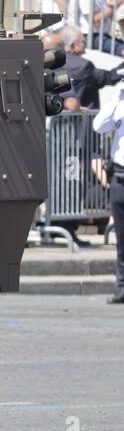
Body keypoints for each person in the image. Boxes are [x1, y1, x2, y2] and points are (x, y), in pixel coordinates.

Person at [93, 78, 124, 302]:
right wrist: (117, 98)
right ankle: (122, 288)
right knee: (121, 238)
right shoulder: (120, 103)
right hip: (120, 177)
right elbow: (98, 126)